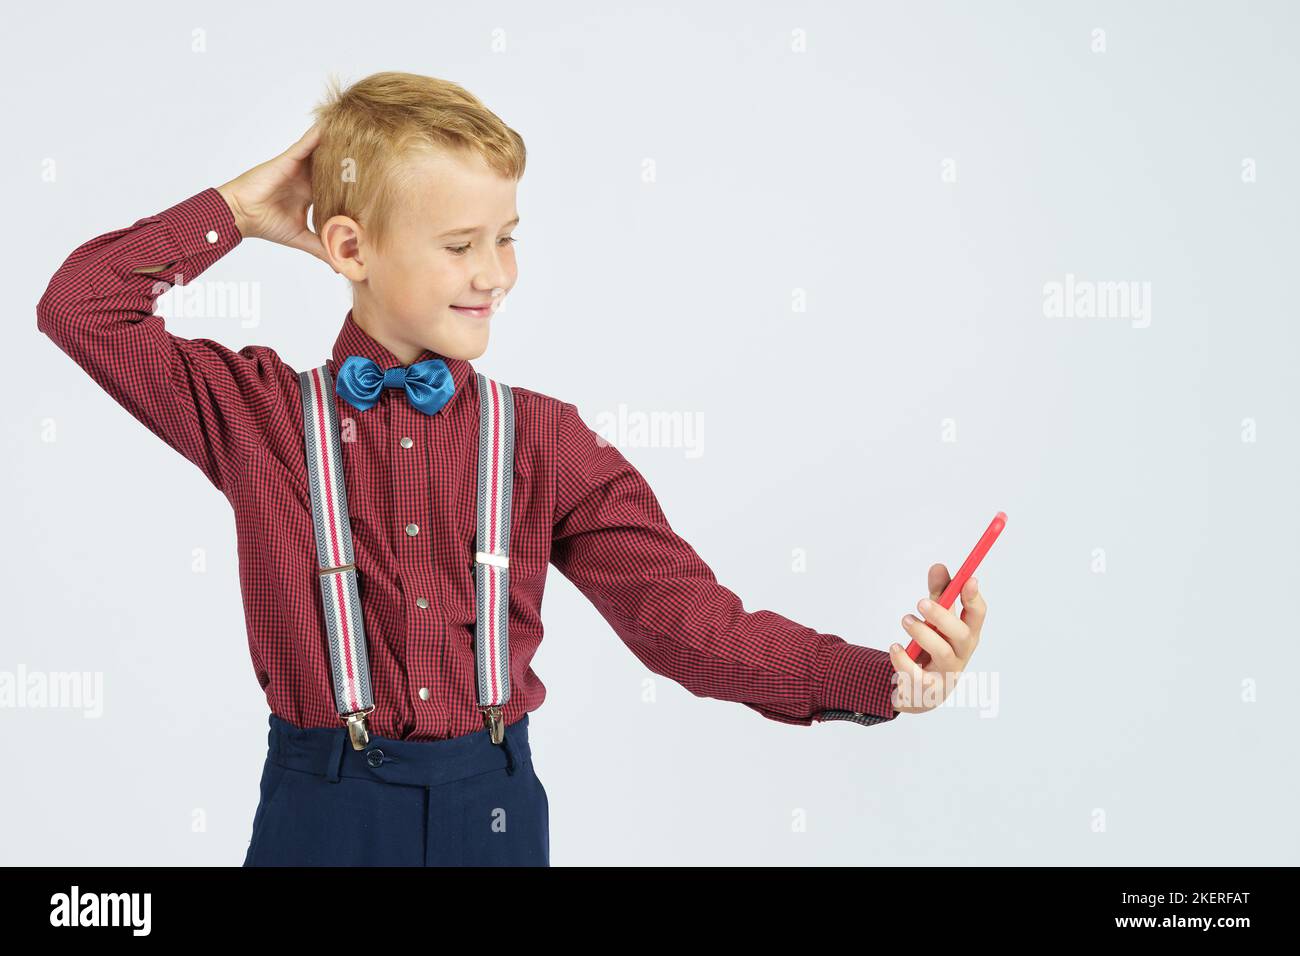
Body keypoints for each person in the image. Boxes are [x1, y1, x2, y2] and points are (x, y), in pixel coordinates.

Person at [35, 71, 988, 866]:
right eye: (459, 245)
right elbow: (82, 308)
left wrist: (883, 678)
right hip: (319, 810)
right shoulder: (260, 417)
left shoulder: (543, 441)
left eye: (508, 236)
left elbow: (686, 625)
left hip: (490, 810)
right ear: (349, 249)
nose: (497, 274)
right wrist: (236, 213)